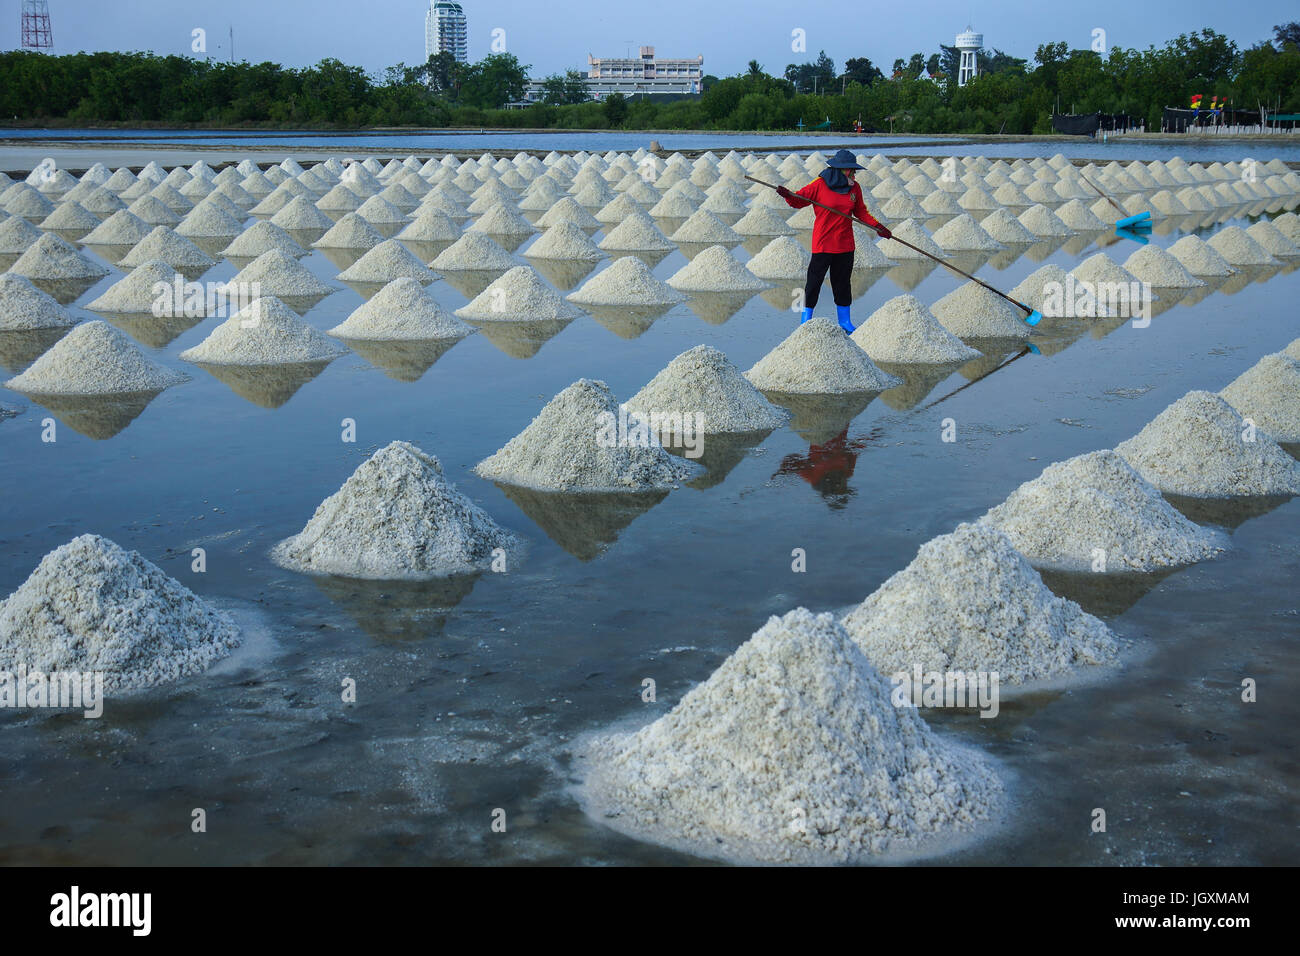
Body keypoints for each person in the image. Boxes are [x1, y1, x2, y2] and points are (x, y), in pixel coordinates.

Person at [777, 149, 891, 333]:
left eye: (854, 170)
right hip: (823, 243)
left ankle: (845, 322)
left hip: (845, 245)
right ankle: (805, 320)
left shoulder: (855, 188)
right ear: (840, 169)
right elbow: (799, 200)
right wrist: (788, 195)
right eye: (851, 170)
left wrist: (879, 227)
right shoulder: (820, 184)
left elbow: (861, 212)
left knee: (843, 284)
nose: (854, 173)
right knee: (814, 282)